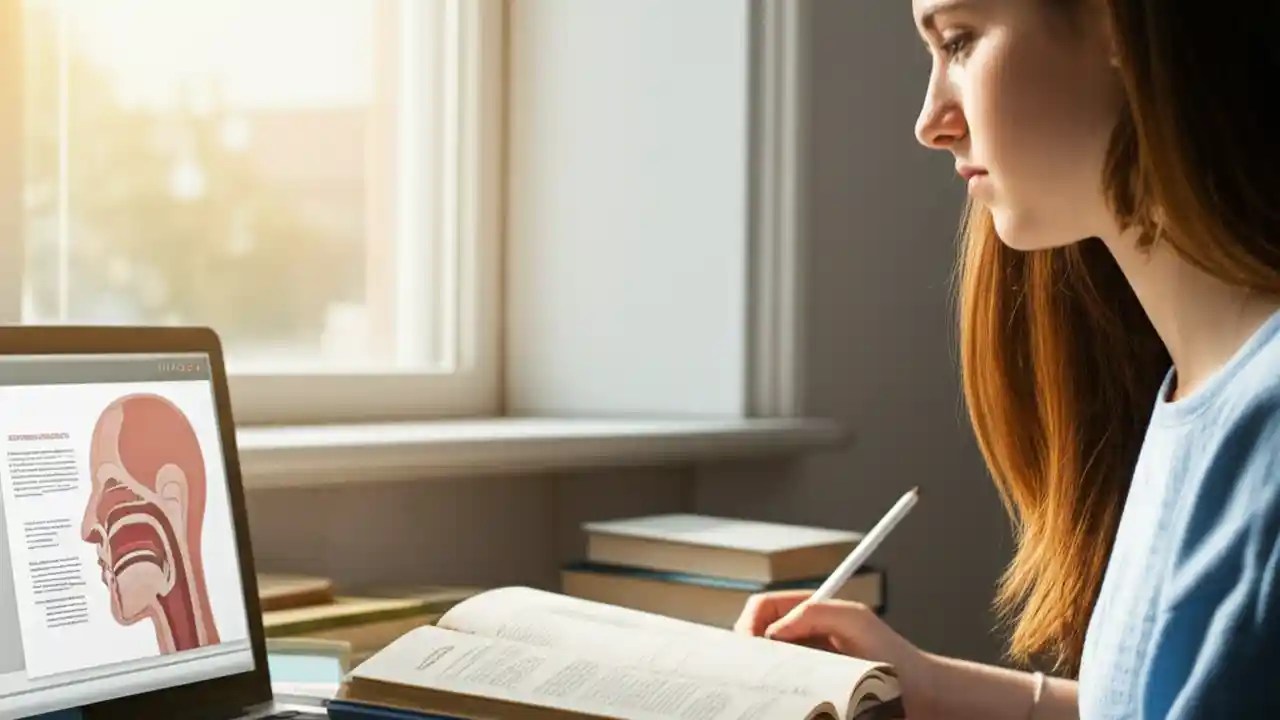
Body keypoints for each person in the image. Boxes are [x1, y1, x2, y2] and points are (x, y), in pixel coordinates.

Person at [734, 1, 1280, 718]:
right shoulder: (1200, 391)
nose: (931, 122)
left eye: (958, 41)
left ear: (1116, 23)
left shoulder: (1265, 433)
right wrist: (919, 684)